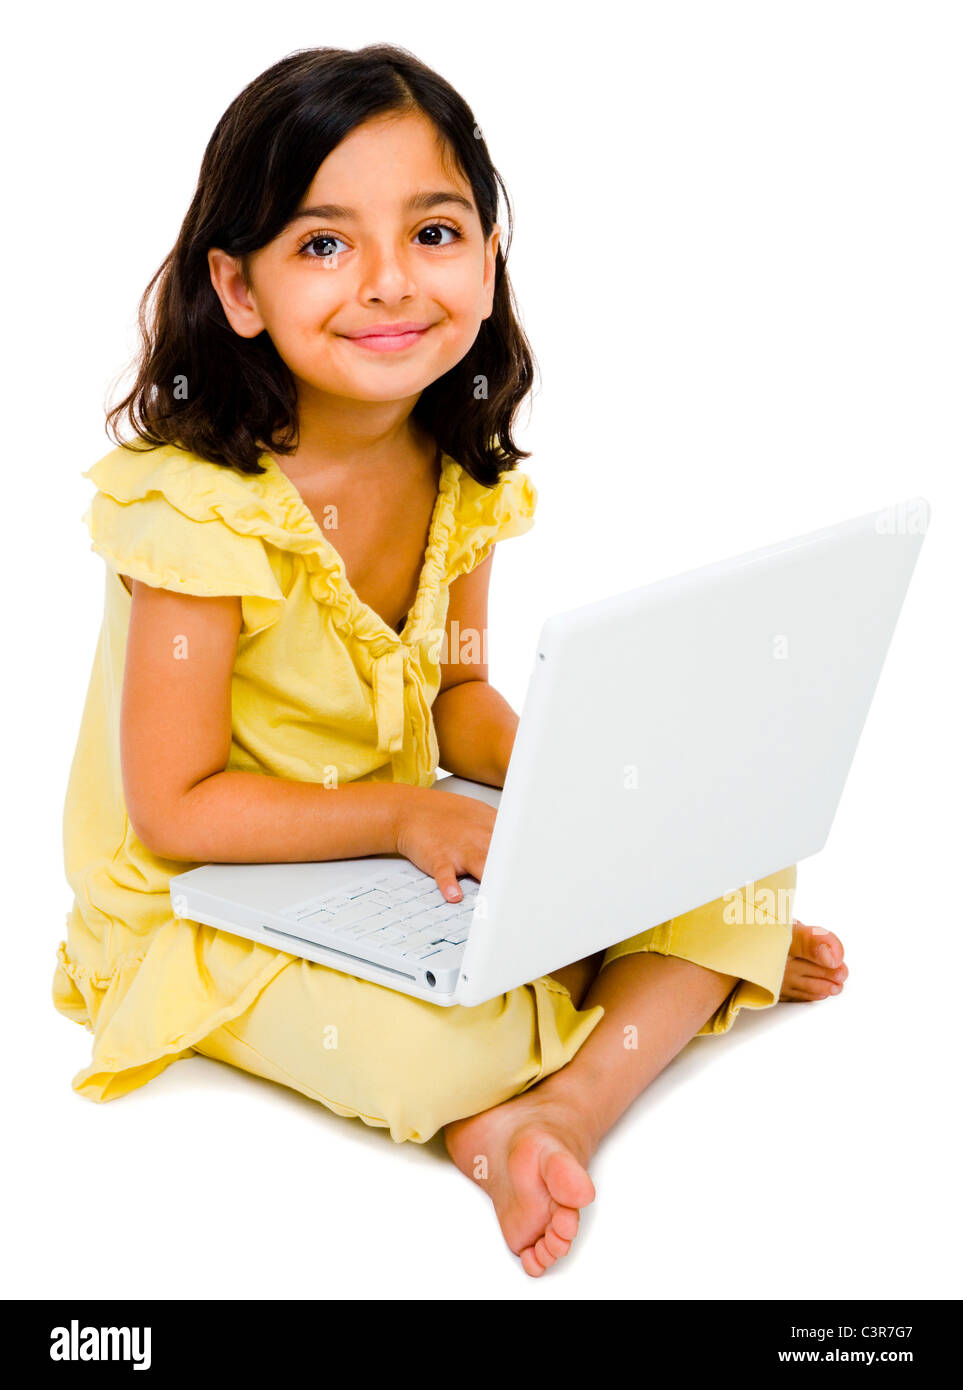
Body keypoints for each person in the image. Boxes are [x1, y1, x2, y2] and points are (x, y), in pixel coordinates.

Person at [53, 43, 847, 1278]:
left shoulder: (455, 468)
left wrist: (573, 806)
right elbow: (175, 807)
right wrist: (414, 816)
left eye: (434, 231)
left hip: (389, 859)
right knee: (441, 1034)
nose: (387, 282)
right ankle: (529, 1089)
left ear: (487, 255)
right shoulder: (199, 512)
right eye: (323, 244)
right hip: (204, 900)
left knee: (747, 865)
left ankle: (563, 1109)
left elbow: (458, 690)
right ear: (239, 286)